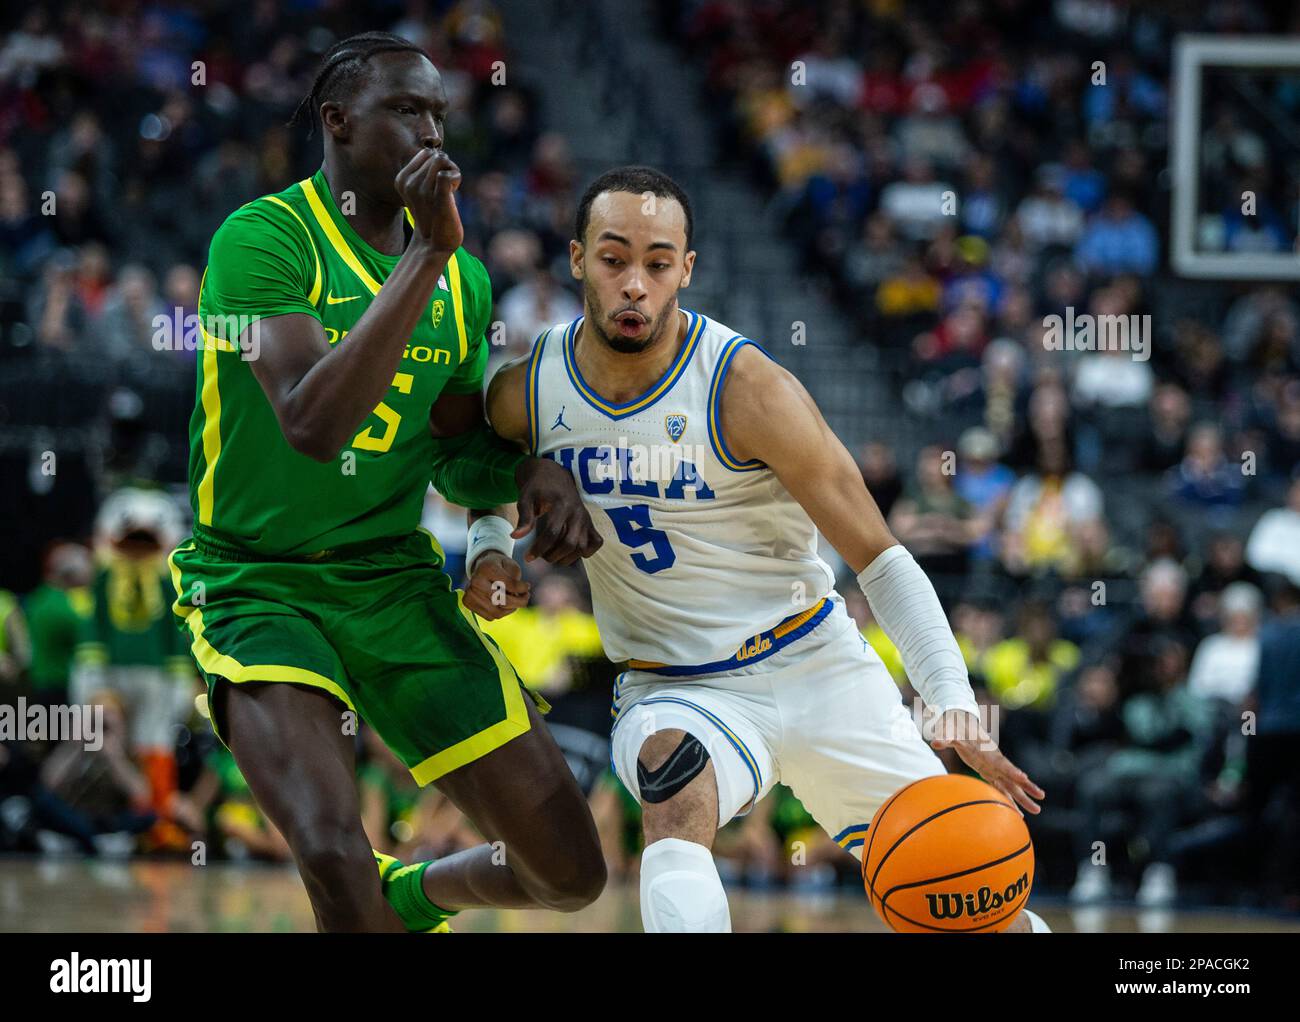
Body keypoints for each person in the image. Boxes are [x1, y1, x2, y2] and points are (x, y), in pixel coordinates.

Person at [486, 165, 1048, 933]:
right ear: (579, 259)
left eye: (658, 263)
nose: (635, 285)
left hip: (815, 662)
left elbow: (879, 555)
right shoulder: (531, 388)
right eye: (614, 259)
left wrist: (949, 698)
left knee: (966, 885)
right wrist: (496, 533)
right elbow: (465, 466)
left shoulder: (747, 387)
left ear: (686, 269)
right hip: (673, 683)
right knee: (673, 780)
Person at [167, 32, 606, 933]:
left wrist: (530, 472)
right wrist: (424, 259)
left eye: (440, 114)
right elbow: (311, 424)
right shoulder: (260, 240)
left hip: (393, 581)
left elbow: (451, 446)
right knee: (331, 850)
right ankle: (370, 894)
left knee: (568, 873)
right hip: (258, 582)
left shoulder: (465, 282)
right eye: (408, 110)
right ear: (338, 122)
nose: (433, 132)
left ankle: (412, 896)